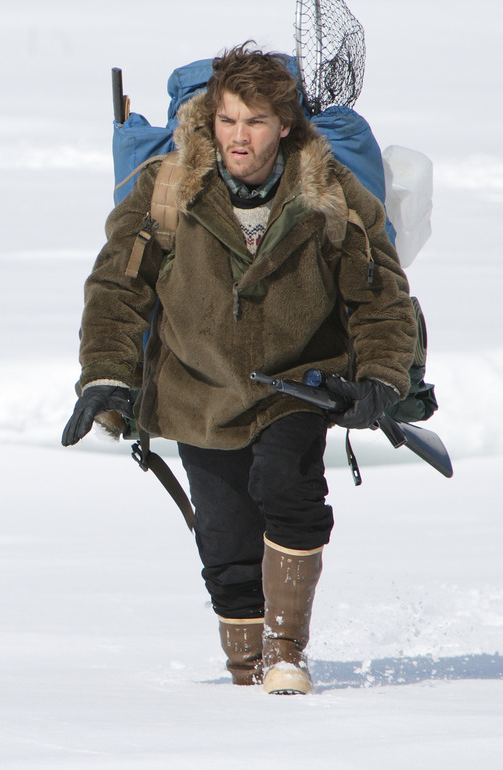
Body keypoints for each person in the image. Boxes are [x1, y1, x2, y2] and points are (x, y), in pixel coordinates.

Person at [61, 43, 417, 694]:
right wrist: (106, 375)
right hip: (199, 389)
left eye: (254, 122)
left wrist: (382, 378)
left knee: (289, 489)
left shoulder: (328, 190)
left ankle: (286, 656)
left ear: (285, 124)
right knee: (225, 546)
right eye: (226, 121)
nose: (238, 138)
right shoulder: (165, 188)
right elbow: (117, 289)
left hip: (297, 380)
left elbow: (380, 296)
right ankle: (246, 681)